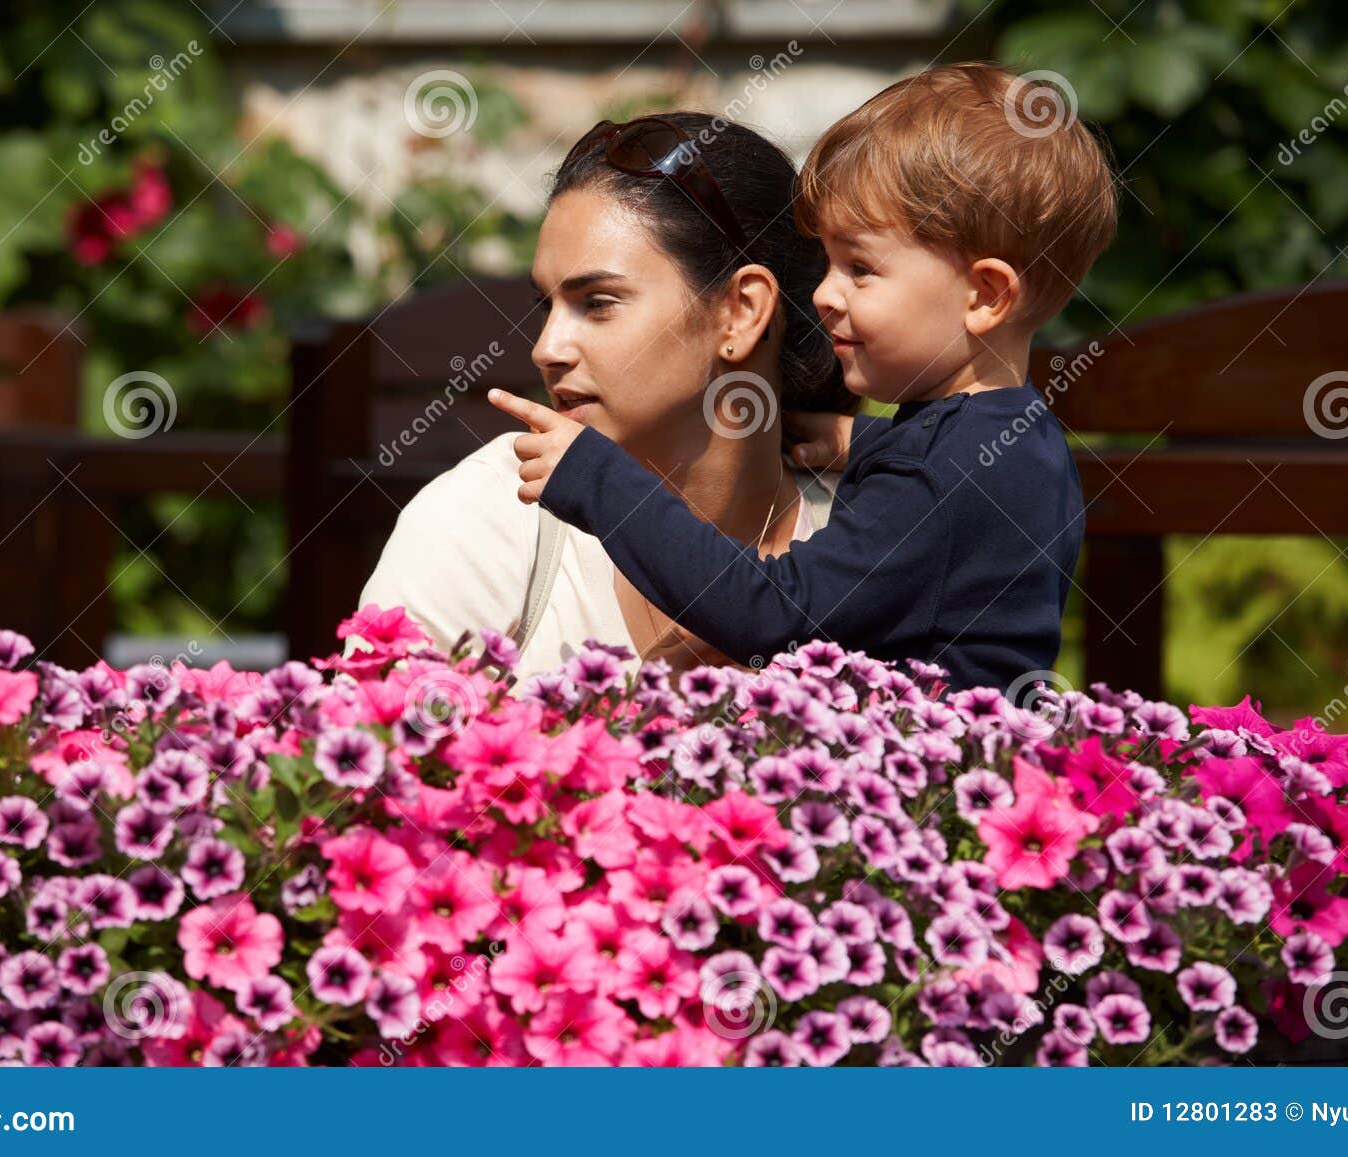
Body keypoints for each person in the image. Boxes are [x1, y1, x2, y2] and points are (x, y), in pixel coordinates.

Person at [488, 63, 1118, 691]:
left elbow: (774, 615)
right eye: (827, 263)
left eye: (860, 268)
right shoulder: (1020, 437)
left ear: (984, 295)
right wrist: (858, 440)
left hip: (929, 773)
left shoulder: (941, 473)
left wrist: (602, 483)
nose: (822, 294)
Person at [359, 112, 855, 682]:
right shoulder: (492, 515)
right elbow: (371, 749)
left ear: (741, 312)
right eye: (547, 307)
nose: (547, 349)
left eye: (597, 302)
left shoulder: (867, 531)